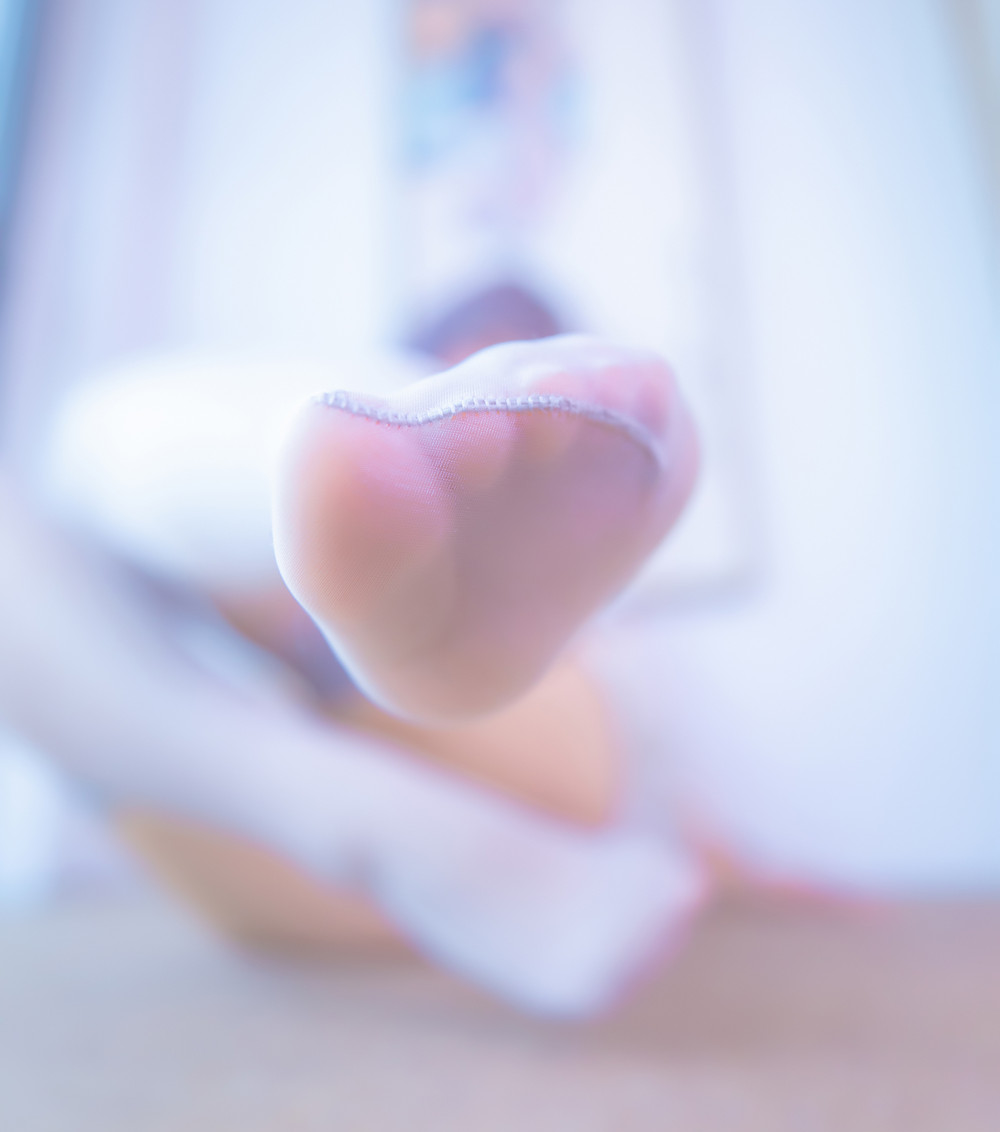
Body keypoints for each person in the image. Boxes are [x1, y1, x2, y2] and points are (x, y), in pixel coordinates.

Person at [1, 325, 710, 1016]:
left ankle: (361, 473)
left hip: (296, 831)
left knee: (91, 443)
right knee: (69, 480)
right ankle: (373, 465)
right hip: (262, 841)